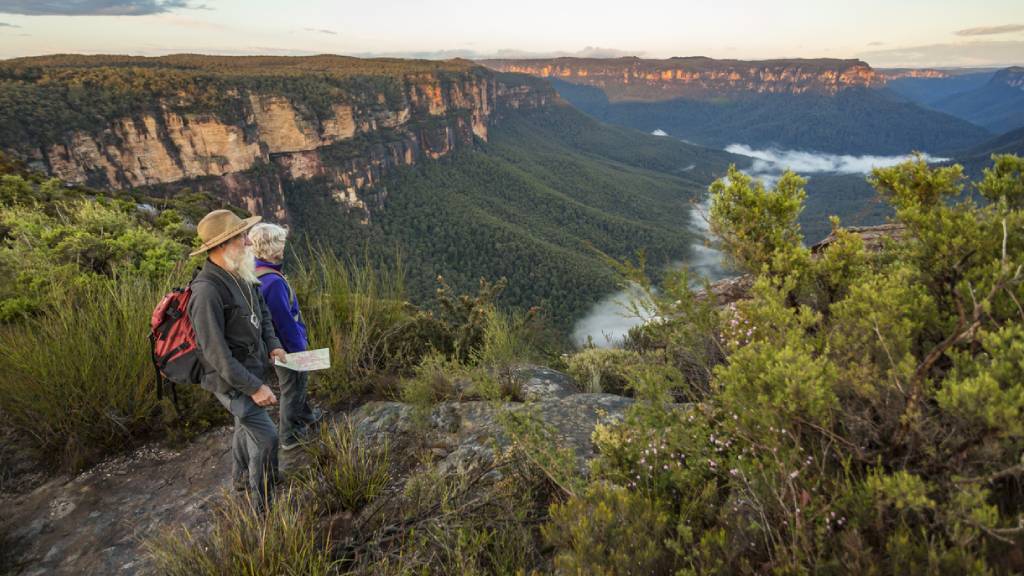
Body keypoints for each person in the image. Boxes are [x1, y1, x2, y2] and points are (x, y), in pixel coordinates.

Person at [187, 209, 286, 512]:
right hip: (231, 381)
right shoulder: (206, 292)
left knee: (244, 427)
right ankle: (263, 508)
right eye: (240, 237)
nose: (247, 242)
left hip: (250, 368)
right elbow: (216, 353)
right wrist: (255, 388)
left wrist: (274, 345)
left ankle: (241, 479)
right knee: (268, 438)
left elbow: (263, 312)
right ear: (220, 246)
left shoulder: (241, 271)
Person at [248, 223, 322, 450]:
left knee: (296, 384)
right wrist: (300, 348)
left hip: (273, 346)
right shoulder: (273, 282)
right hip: (287, 347)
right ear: (273, 247)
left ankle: (308, 416)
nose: (284, 246)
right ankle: (290, 435)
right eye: (281, 242)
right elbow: (284, 322)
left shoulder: (254, 272)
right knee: (293, 386)